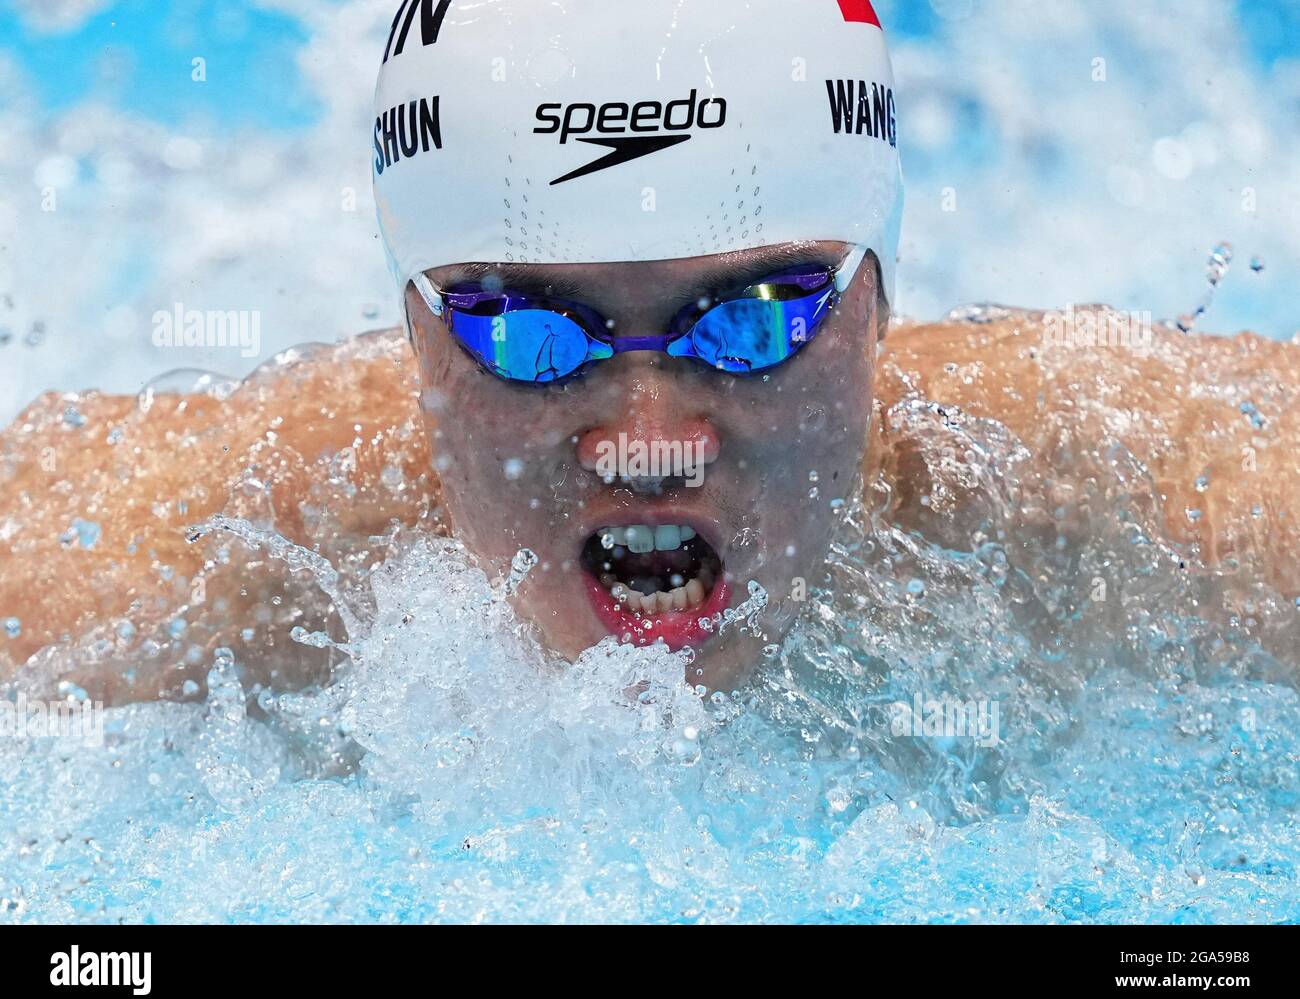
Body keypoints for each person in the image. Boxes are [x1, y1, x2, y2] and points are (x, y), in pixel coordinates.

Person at [1, 0, 1296, 704]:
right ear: (409, 331)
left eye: (751, 323)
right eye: (526, 331)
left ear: (878, 305)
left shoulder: (1122, 502)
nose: (646, 433)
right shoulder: (204, 564)